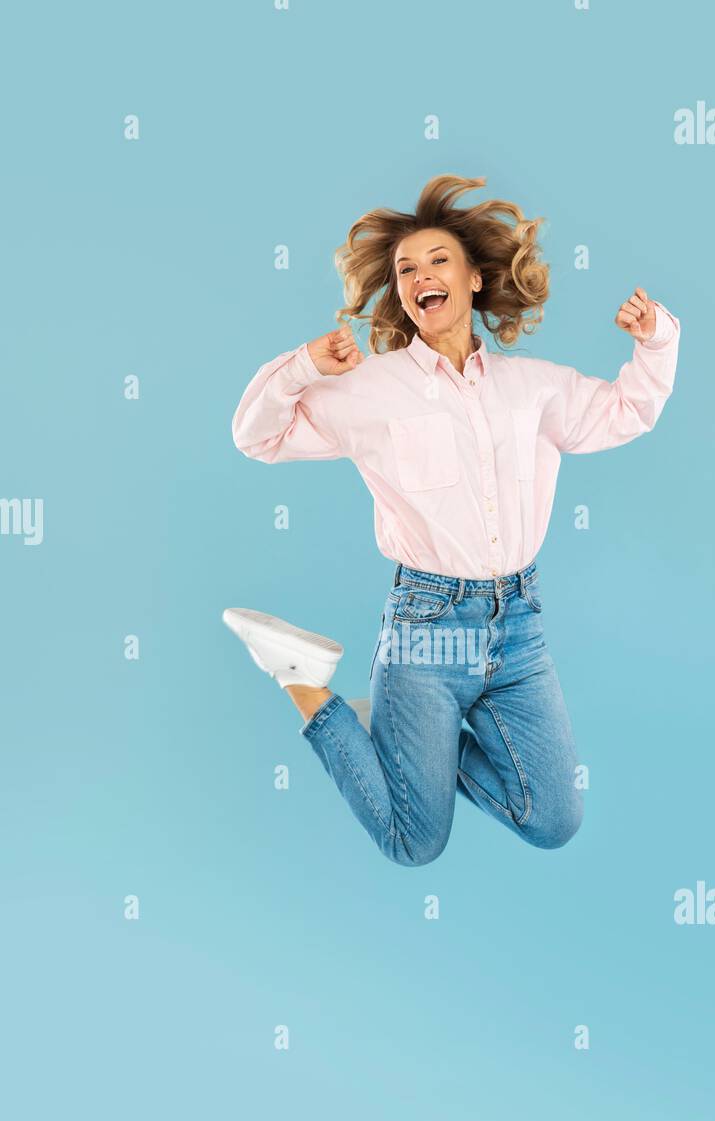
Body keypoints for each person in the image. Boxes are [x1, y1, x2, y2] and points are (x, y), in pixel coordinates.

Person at [225, 173, 681, 866]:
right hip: (426, 631)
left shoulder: (534, 388)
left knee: (554, 819)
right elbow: (257, 437)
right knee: (416, 843)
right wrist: (300, 367)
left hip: (518, 627)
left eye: (438, 261)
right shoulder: (368, 390)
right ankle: (303, 681)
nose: (420, 276)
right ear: (401, 294)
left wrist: (655, 341)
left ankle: (404, 735)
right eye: (406, 269)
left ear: (473, 279)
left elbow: (627, 411)